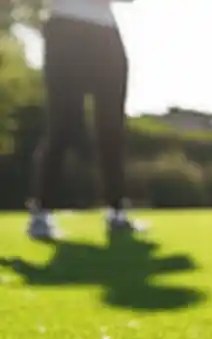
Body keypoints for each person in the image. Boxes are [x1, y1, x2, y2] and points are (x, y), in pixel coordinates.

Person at [27, 0, 142, 241]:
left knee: (112, 128)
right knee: (63, 124)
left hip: (105, 32)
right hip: (65, 28)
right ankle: (41, 213)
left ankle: (117, 211)